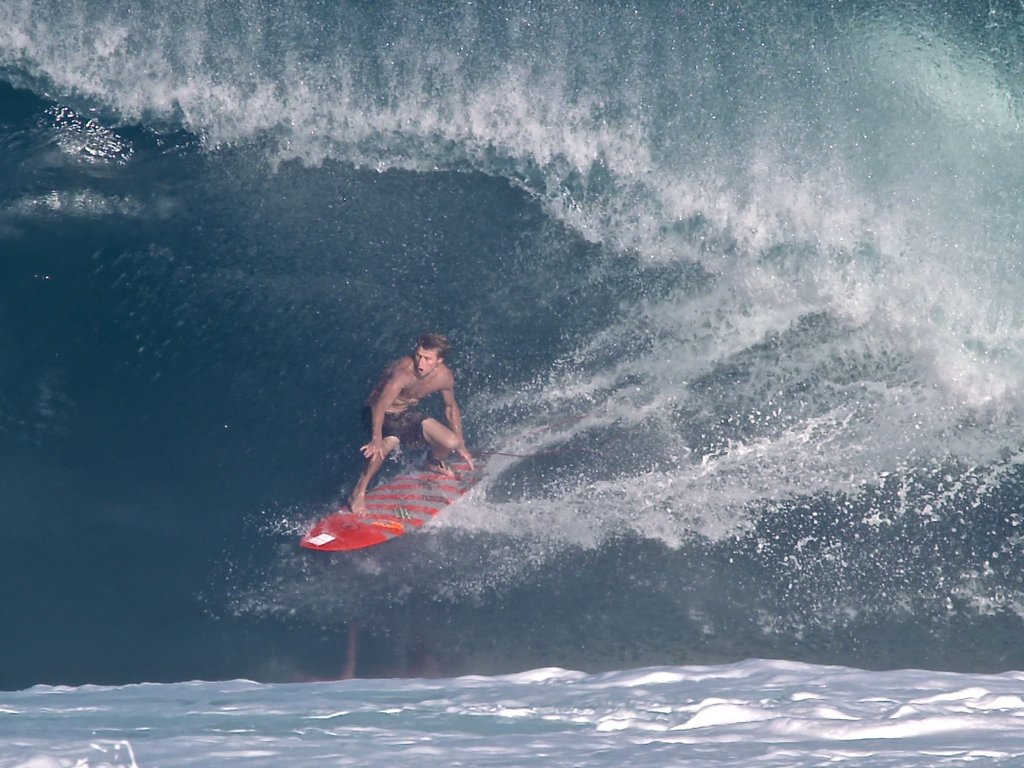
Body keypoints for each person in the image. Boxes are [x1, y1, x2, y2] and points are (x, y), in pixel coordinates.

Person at [349, 332, 474, 514]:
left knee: (451, 442)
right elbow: (379, 406)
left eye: (427, 359)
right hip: (378, 413)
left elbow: (450, 406)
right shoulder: (403, 373)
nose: (420, 363)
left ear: (439, 360)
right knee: (386, 444)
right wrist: (376, 438)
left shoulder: (444, 377)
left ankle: (433, 460)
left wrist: (461, 442)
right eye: (418, 356)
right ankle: (358, 492)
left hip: (404, 414)